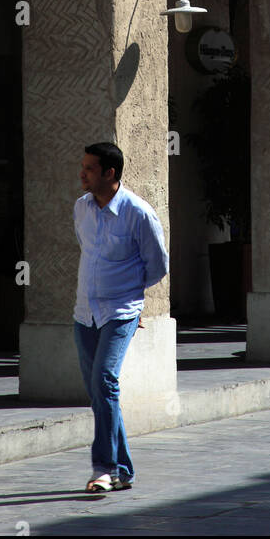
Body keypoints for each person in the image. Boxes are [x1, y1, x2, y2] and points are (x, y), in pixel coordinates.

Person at [73, 142, 169, 494]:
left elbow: (157, 265)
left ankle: (104, 468)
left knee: (105, 381)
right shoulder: (81, 209)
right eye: (82, 166)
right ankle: (123, 469)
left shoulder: (137, 213)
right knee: (100, 392)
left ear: (110, 173)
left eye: (90, 168)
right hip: (84, 313)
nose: (82, 174)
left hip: (121, 312)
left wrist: (132, 299)